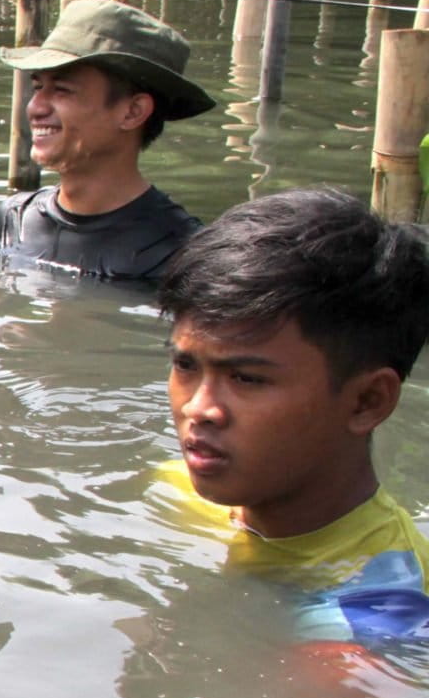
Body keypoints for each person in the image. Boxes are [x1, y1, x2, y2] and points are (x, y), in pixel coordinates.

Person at [153, 187, 429, 644]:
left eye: (246, 378)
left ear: (368, 401)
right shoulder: (177, 489)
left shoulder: (377, 610)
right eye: (185, 365)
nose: (198, 408)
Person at [0, 0, 214, 282]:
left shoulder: (184, 256)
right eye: (37, 87)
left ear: (133, 112)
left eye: (62, 89)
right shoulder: (13, 221)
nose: (35, 107)